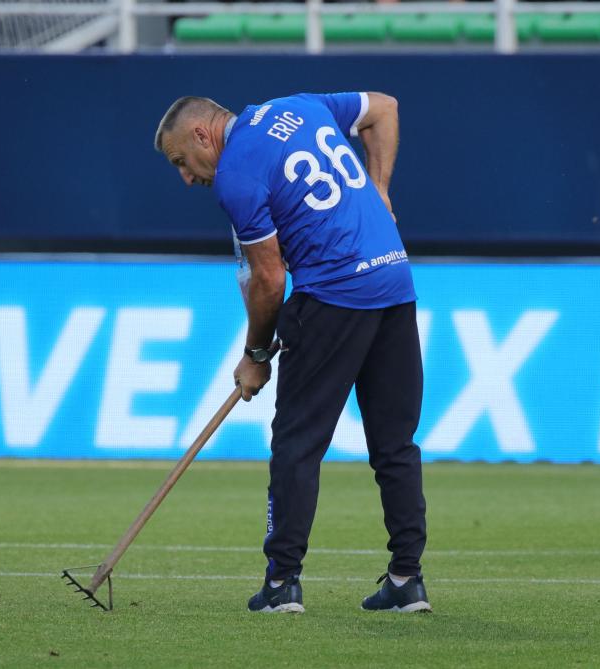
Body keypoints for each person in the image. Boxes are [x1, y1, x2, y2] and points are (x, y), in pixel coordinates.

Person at [154, 92, 429, 613]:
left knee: (296, 446)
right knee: (395, 444)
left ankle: (282, 583)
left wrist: (256, 354)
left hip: (333, 295)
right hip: (394, 283)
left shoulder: (236, 175)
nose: (186, 177)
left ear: (201, 135)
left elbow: (269, 278)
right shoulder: (299, 106)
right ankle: (406, 579)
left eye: (180, 162)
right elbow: (385, 107)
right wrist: (380, 190)